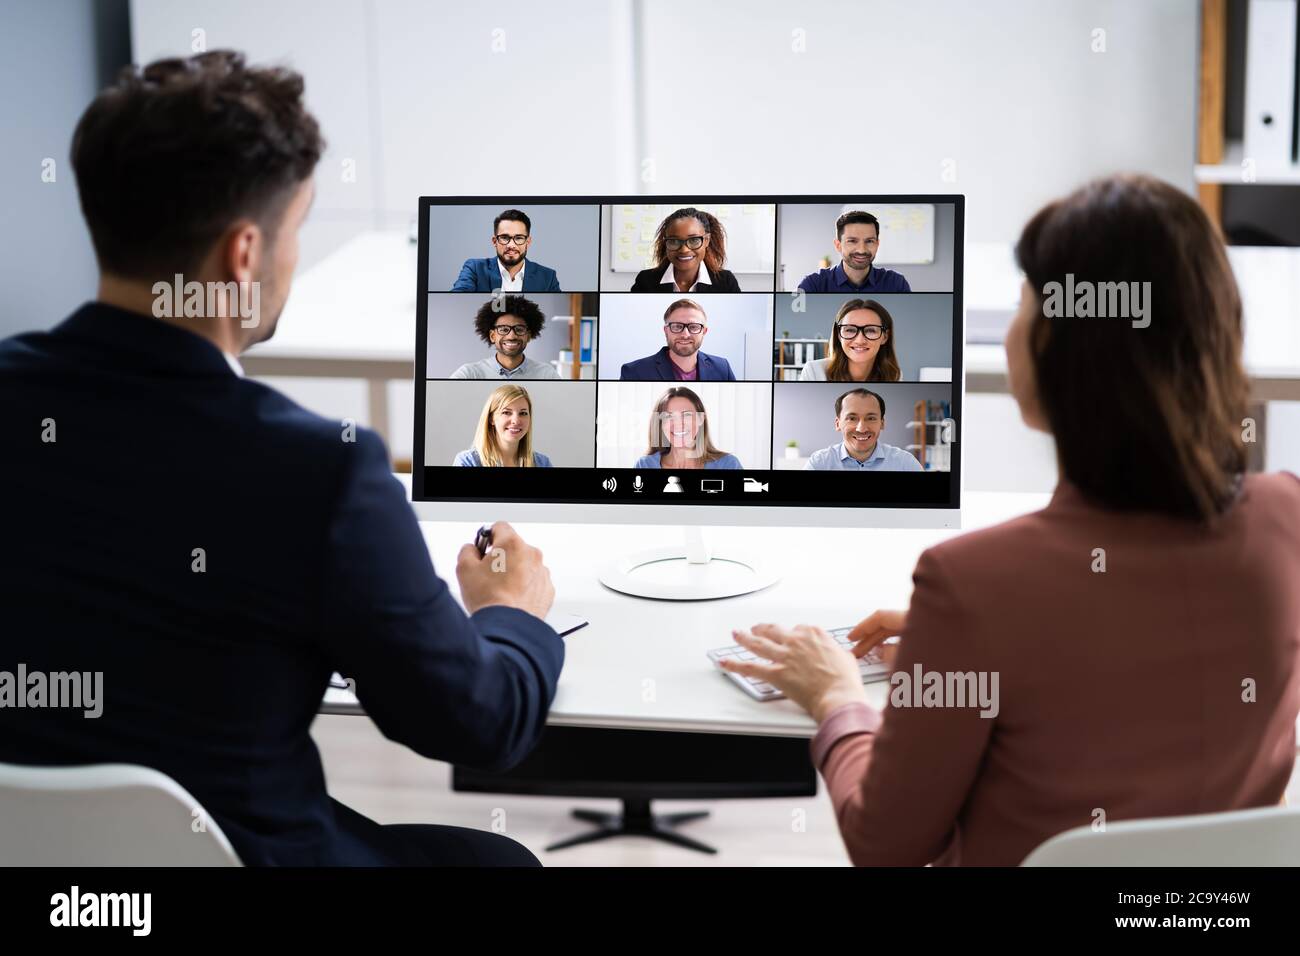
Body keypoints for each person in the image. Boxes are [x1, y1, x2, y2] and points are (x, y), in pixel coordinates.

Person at [0, 51, 564, 866]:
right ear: (243, 254)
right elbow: (479, 726)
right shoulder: (317, 473)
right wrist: (512, 614)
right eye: (297, 230)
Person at [720, 174, 1300, 866]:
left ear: (1062, 347)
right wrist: (966, 643)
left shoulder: (971, 583)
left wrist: (837, 696)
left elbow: (886, 845)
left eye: (1024, 304)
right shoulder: (1287, 518)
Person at [619, 298, 736, 381]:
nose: (685, 334)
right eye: (677, 326)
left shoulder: (722, 368)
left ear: (704, 331)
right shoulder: (634, 372)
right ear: (666, 330)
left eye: (694, 327)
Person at [803, 388, 921, 471]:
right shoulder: (819, 463)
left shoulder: (906, 463)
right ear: (838, 424)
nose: (861, 428)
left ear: (882, 423)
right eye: (852, 418)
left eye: (871, 418)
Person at [629, 207, 742, 292]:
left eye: (693, 240)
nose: (684, 250)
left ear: (706, 240)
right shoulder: (645, 281)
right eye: (674, 241)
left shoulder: (726, 282)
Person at [449, 295, 561, 380]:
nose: (511, 336)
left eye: (519, 329)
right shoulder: (470, 374)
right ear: (492, 336)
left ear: (528, 336)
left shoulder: (547, 374)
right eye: (503, 329)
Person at [797, 211, 911, 293]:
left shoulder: (896, 283)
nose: (861, 250)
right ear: (838, 245)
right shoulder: (813, 284)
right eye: (852, 241)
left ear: (877, 244)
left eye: (869, 241)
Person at [450, 208, 562, 292]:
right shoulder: (475, 269)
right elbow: (456, 298)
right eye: (504, 238)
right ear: (494, 241)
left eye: (518, 238)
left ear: (528, 242)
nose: (511, 245)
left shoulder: (547, 277)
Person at [634, 386, 742, 469]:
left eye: (686, 415)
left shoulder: (728, 465)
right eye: (668, 416)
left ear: (701, 419)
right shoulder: (645, 465)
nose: (678, 424)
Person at [800, 299, 902, 382]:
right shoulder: (814, 372)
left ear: (885, 337)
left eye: (871, 330)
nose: (860, 340)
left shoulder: (895, 375)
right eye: (850, 330)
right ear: (839, 335)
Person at [454, 385, 553, 467]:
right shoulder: (468, 462)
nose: (516, 420)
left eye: (523, 413)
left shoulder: (543, 463)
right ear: (491, 418)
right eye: (506, 412)